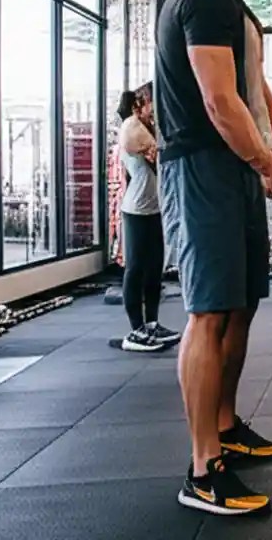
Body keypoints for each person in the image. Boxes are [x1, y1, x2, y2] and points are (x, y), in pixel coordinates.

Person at [155, 0, 272, 515]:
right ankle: (202, 468)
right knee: (210, 313)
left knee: (239, 306)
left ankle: (226, 426)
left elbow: (250, 80)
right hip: (204, 166)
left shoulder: (229, 3)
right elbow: (217, 101)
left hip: (234, 167)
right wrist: (266, 162)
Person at [115, 82, 181, 352]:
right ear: (139, 105)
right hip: (136, 211)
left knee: (155, 269)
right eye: (154, 103)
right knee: (135, 269)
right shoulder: (131, 127)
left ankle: (152, 324)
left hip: (153, 209)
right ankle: (136, 331)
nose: (156, 110)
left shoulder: (147, 125)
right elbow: (164, 156)